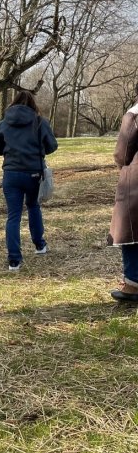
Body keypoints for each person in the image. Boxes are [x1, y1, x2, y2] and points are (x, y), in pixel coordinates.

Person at [0, 90, 58, 271]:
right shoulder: (40, 122)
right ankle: (39, 245)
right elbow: (52, 146)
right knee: (33, 207)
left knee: (13, 216)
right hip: (34, 174)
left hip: (11, 174)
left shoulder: (4, 124)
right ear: (32, 104)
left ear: (13, 103)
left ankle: (14, 261)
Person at [108, 87, 138, 301]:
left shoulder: (135, 115)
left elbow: (123, 153)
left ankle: (133, 284)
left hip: (136, 181)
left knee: (131, 230)